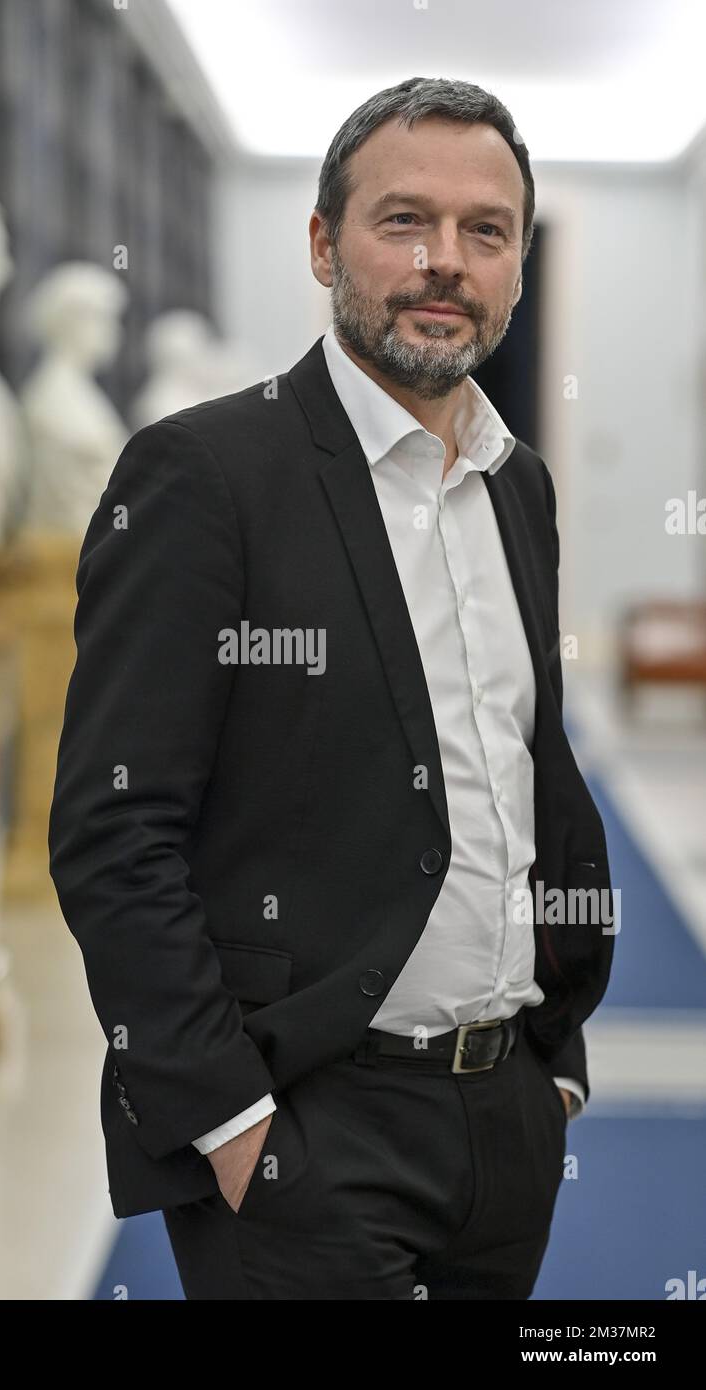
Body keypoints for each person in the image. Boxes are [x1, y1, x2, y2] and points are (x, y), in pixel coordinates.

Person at [48, 76, 615, 1300]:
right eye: (403, 221)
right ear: (323, 243)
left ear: (517, 265)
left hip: (507, 1119)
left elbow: (529, 760)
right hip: (308, 1131)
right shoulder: (204, 474)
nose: (444, 263)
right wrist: (234, 1125)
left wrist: (553, 1061)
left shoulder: (520, 487)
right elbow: (114, 829)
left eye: (486, 232)